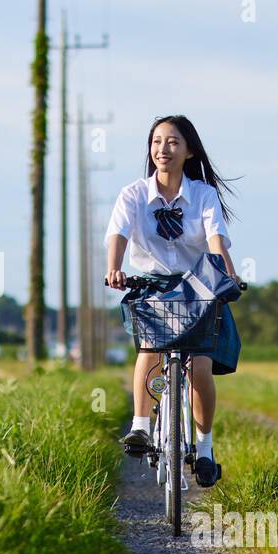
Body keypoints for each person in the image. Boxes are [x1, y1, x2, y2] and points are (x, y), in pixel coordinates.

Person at [104, 115, 242, 487]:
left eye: (172, 142)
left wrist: (226, 273)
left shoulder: (202, 194)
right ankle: (141, 427)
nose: (162, 149)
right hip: (150, 285)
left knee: (199, 367)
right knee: (149, 350)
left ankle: (205, 447)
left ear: (189, 150)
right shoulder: (133, 193)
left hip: (197, 286)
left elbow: (216, 238)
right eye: (156, 142)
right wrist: (114, 268)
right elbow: (117, 233)